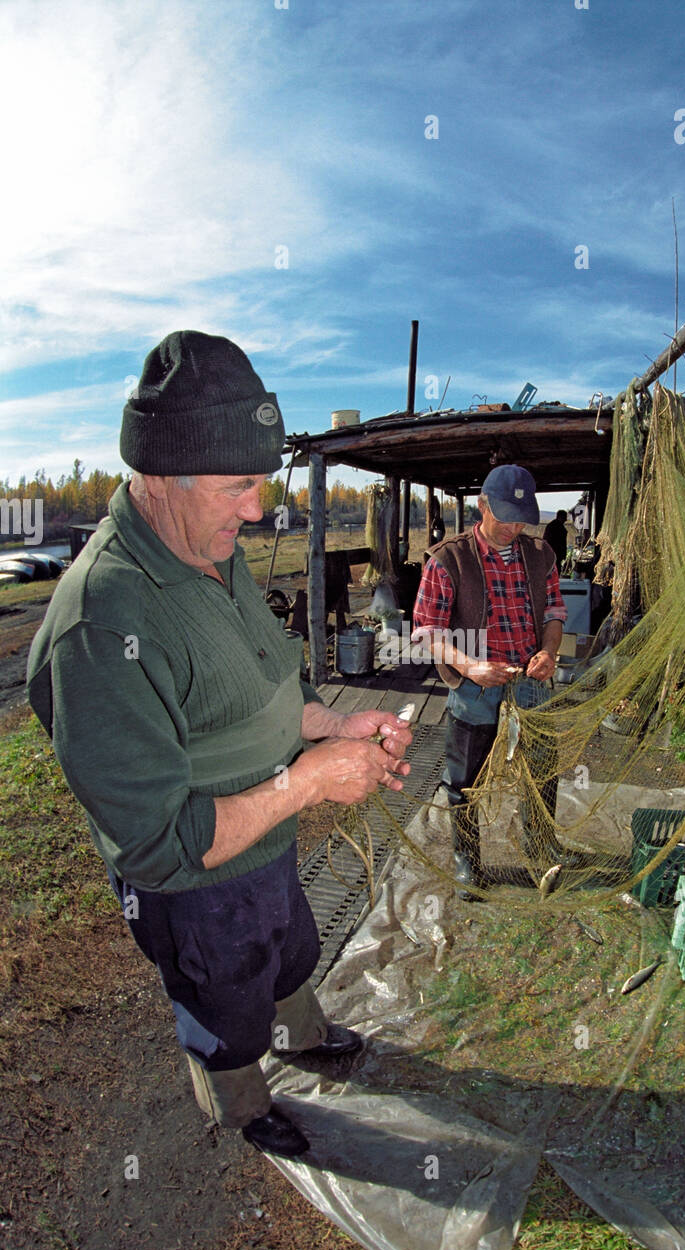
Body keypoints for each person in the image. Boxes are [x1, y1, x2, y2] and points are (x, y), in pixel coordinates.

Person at [26, 331, 412, 1161]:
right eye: (239, 486)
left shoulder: (211, 548)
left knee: (289, 950)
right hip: (197, 888)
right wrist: (310, 784)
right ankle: (238, 1103)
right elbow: (161, 846)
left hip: (267, 844)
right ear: (162, 479)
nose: (257, 508)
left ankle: (303, 1034)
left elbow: (261, 683)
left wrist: (333, 727)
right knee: (224, 1002)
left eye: (260, 484)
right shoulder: (103, 622)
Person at [412, 465, 567, 895]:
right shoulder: (448, 559)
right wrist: (468, 667)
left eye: (521, 518)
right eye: (504, 517)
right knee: (465, 780)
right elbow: (427, 632)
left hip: (530, 683)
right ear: (482, 506)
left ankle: (540, 850)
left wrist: (549, 652)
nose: (513, 528)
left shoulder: (540, 556)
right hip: (475, 688)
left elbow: (555, 613)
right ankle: (469, 862)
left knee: (540, 773)